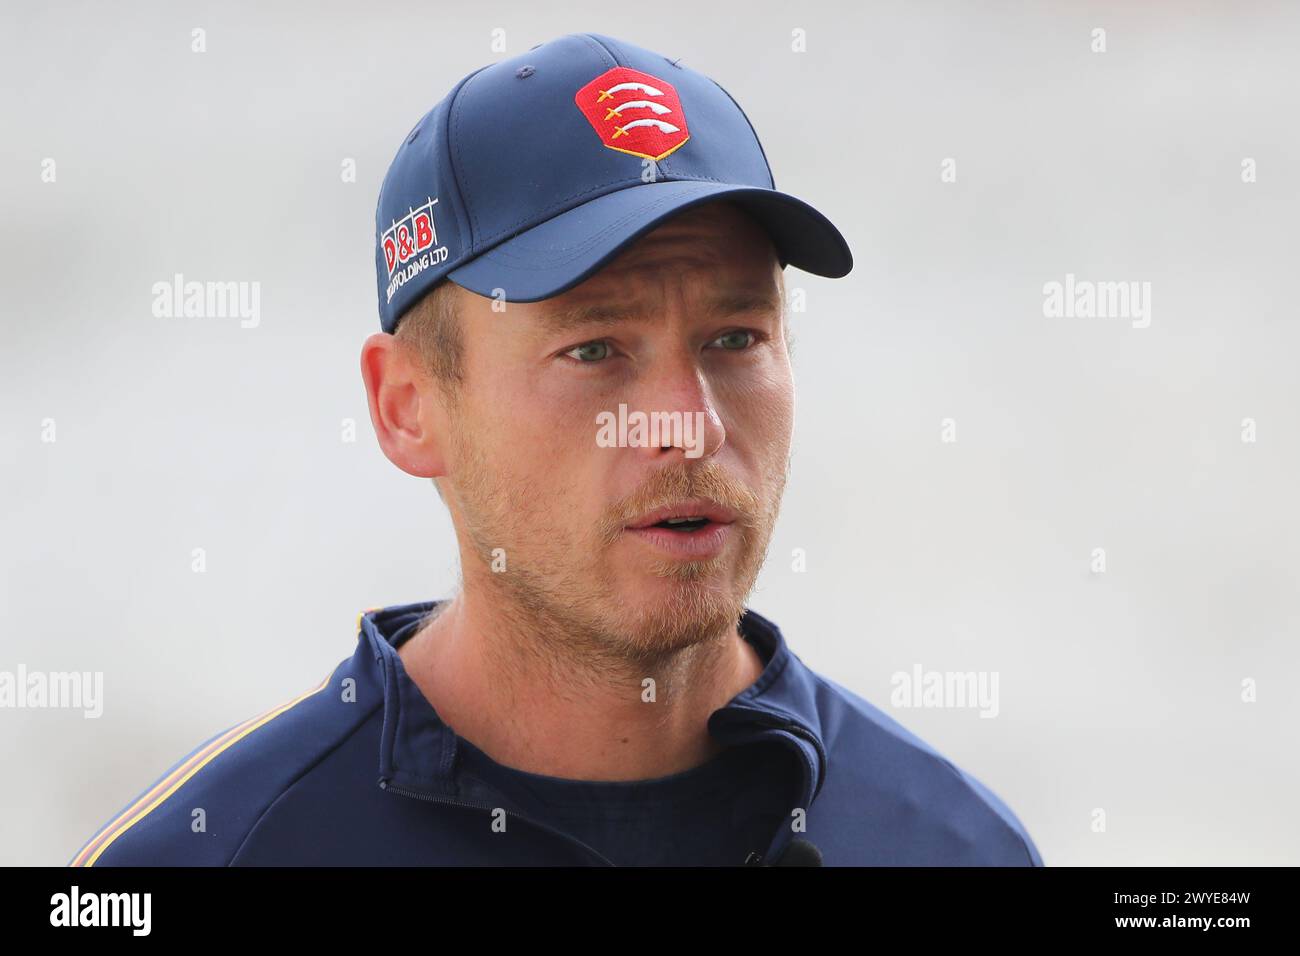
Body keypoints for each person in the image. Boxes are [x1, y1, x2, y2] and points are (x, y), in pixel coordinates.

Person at [70, 31, 1042, 867]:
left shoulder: (950, 844)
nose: (685, 423)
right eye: (593, 349)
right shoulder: (210, 853)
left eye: (735, 338)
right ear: (408, 405)